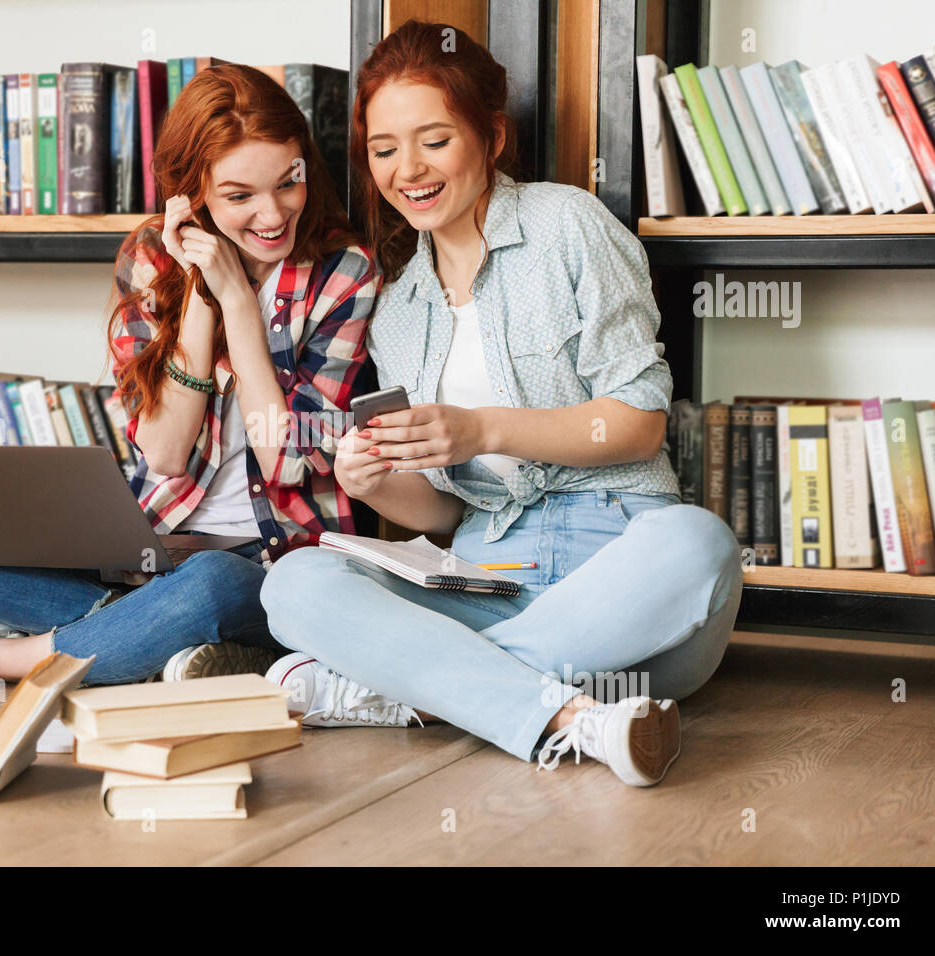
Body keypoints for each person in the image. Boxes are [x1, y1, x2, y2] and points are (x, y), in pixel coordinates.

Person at [260, 21, 742, 787]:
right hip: (489, 576)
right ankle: (572, 716)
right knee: (293, 584)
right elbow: (444, 515)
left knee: (701, 545)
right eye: (384, 151)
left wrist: (483, 427)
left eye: (434, 141)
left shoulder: (568, 226)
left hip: (622, 579)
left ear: (490, 135)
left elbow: (639, 423)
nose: (407, 170)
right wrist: (374, 479)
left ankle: (419, 692)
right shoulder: (399, 306)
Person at [0, 64, 380, 697]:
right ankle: (159, 643)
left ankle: (1, 658)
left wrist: (238, 300)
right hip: (146, 550)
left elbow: (286, 460)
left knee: (208, 584)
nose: (272, 214)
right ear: (193, 194)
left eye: (288, 182)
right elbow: (165, 454)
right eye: (239, 197)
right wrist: (202, 302)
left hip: (267, 564)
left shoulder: (344, 273)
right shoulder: (153, 258)